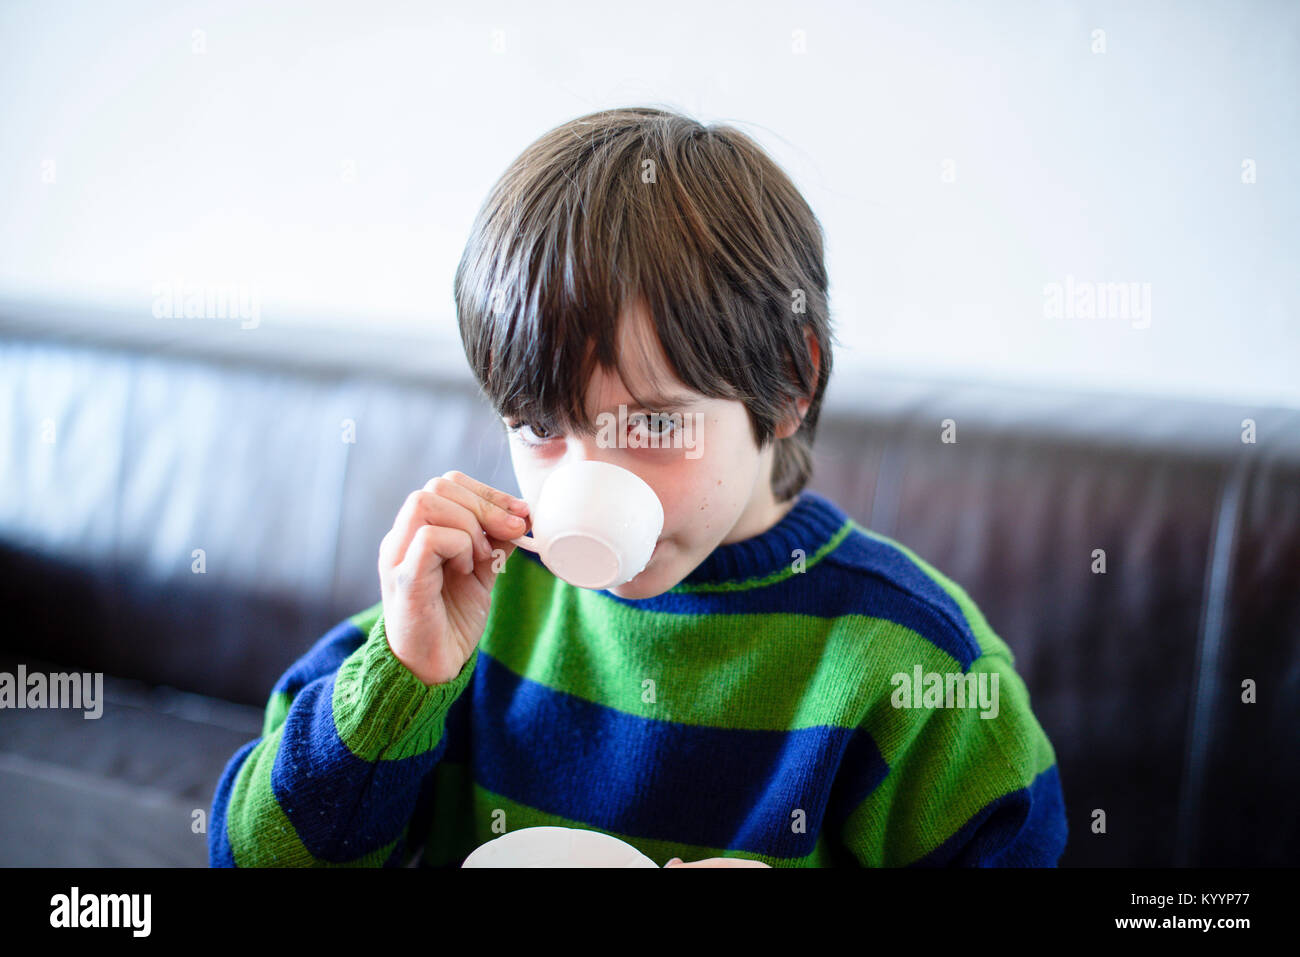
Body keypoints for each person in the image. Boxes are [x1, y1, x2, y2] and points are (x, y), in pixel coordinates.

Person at [209, 107, 1067, 867]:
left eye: (653, 425)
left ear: (789, 383)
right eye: (541, 428)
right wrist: (402, 676)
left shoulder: (909, 659)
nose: (586, 484)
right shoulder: (477, 601)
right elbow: (248, 856)